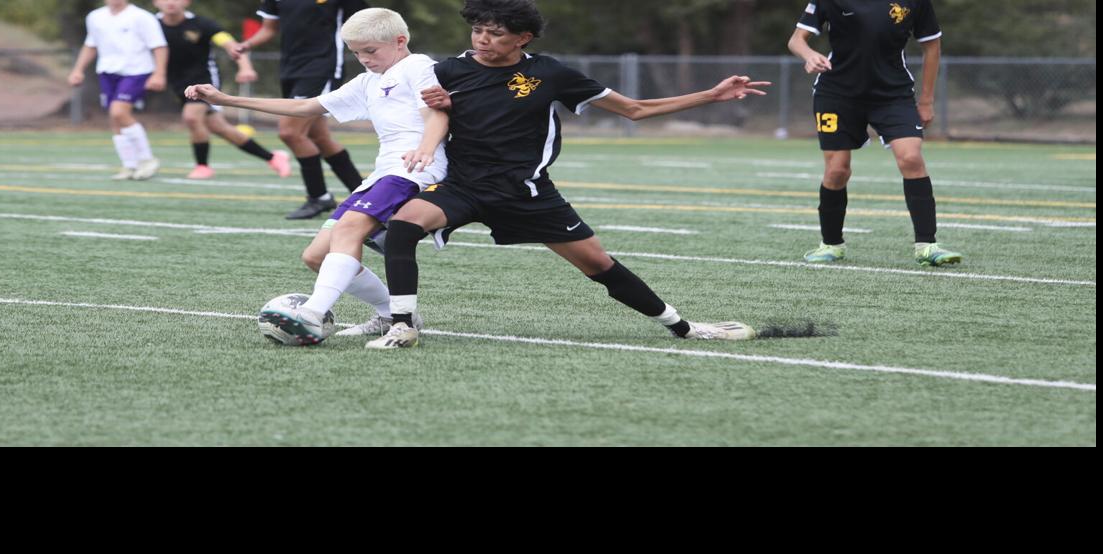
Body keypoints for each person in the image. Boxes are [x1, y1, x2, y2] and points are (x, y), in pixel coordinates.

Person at [366, 0, 770, 351]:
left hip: (526, 193)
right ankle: (402, 324)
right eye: (477, 30)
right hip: (464, 186)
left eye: (496, 33)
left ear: (523, 38)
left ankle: (683, 327)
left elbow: (635, 110)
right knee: (402, 226)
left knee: (598, 264)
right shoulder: (449, 71)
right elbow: (407, 105)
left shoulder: (551, 74)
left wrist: (710, 96)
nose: (483, 40)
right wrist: (436, 109)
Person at [189, 7, 447, 342]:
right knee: (316, 255)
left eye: (370, 51)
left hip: (414, 171)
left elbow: (436, 114)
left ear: (400, 41)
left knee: (350, 229)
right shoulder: (368, 81)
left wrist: (426, 148)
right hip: (384, 173)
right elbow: (304, 106)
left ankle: (310, 313)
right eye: (356, 53)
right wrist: (225, 99)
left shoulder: (418, 66)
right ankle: (391, 314)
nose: (364, 59)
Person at [789, 1, 962, 266]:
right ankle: (831, 244)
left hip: (893, 94)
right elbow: (796, 40)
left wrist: (926, 101)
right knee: (837, 170)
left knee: (911, 158)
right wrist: (809, 55)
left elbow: (932, 46)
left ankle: (927, 245)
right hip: (836, 94)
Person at [227, 0, 370, 219]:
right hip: (290, 68)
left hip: (322, 66)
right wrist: (247, 45)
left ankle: (318, 197)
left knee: (290, 132)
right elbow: (268, 28)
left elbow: (367, 22)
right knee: (320, 137)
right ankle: (364, 196)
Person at [155, 0, 292, 181]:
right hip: (177, 84)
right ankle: (273, 158)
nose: (170, 2)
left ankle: (202, 166)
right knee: (220, 128)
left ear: (187, 2)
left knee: (191, 117)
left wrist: (245, 67)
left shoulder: (202, 24)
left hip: (204, 81)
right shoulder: (150, 24)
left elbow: (230, 44)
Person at [68, 0, 168, 181]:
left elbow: (159, 46)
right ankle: (129, 165)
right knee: (114, 118)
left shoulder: (141, 17)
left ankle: (147, 159)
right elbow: (91, 45)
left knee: (119, 112)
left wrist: (159, 73)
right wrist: (78, 70)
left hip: (136, 71)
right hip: (107, 72)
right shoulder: (95, 17)